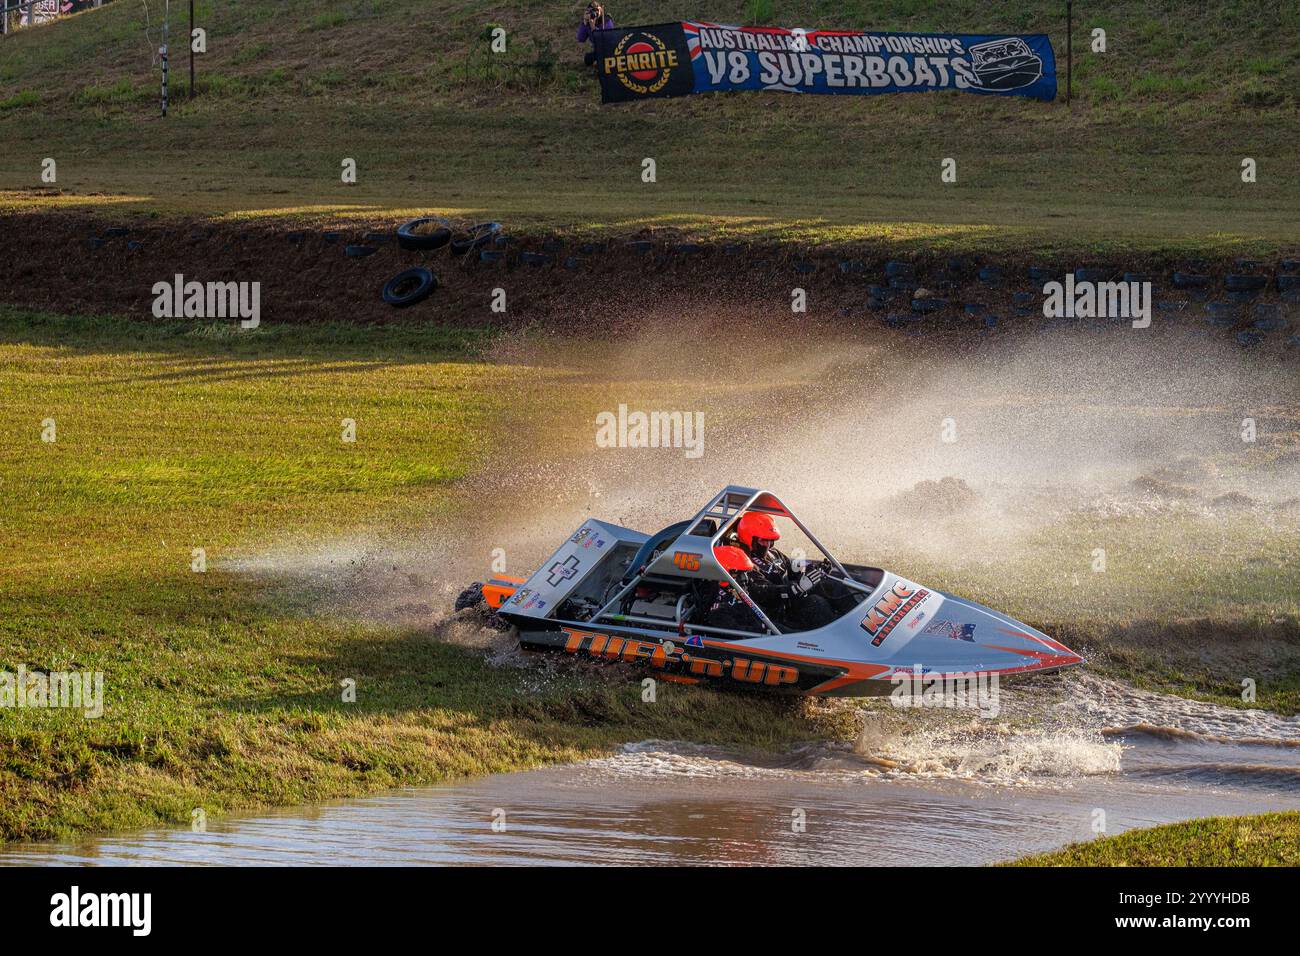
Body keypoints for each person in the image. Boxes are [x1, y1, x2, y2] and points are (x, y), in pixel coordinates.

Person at [730, 511, 834, 631]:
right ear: (749, 538)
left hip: (791, 602)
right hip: (775, 616)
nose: (768, 545)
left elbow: (792, 571)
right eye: (763, 540)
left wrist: (815, 570)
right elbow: (764, 594)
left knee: (829, 586)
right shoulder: (743, 563)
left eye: (770, 540)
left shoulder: (773, 553)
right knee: (817, 603)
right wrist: (796, 589)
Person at [576, 2, 613, 68]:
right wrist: (584, 24)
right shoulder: (588, 22)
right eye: (592, 12)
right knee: (587, 59)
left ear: (600, 10)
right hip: (598, 50)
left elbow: (605, 38)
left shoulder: (606, 20)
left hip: (609, 51)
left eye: (596, 11)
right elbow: (581, 39)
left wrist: (593, 28)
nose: (594, 14)